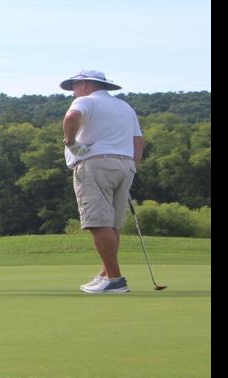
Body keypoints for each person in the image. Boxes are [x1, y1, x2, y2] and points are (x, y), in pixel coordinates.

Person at [60, 70, 145, 295]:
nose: (73, 92)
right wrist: (133, 166)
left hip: (95, 164)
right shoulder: (125, 107)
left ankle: (115, 279)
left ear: (87, 85)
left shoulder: (85, 101)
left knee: (98, 223)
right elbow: (138, 141)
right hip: (125, 165)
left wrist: (70, 142)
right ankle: (105, 274)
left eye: (75, 86)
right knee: (112, 224)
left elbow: (70, 118)